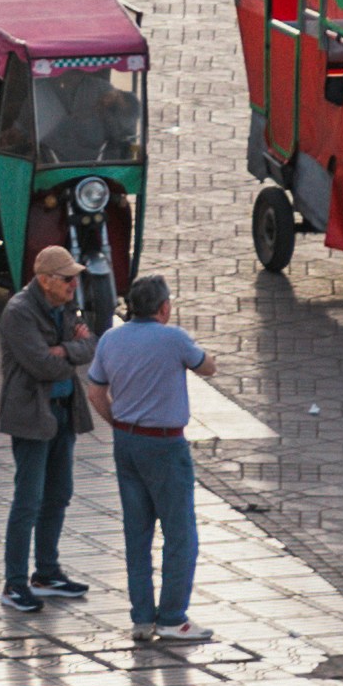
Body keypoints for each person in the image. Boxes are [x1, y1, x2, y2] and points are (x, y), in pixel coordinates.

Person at [86, 272, 214, 636]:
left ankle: (142, 618)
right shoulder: (173, 338)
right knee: (179, 532)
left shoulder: (111, 338)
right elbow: (208, 366)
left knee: (136, 533)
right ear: (164, 308)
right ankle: (173, 617)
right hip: (165, 444)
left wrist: (120, 425)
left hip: (126, 442)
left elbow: (95, 392)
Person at [0, 231, 92, 608]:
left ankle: (47, 572)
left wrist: (66, 349)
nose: (75, 284)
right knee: (28, 500)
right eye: (67, 278)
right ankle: (14, 583)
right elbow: (41, 364)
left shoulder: (66, 306)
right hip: (32, 417)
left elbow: (92, 343)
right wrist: (71, 352)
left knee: (59, 494)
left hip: (63, 415)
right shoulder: (19, 312)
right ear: (45, 281)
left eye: (75, 277)